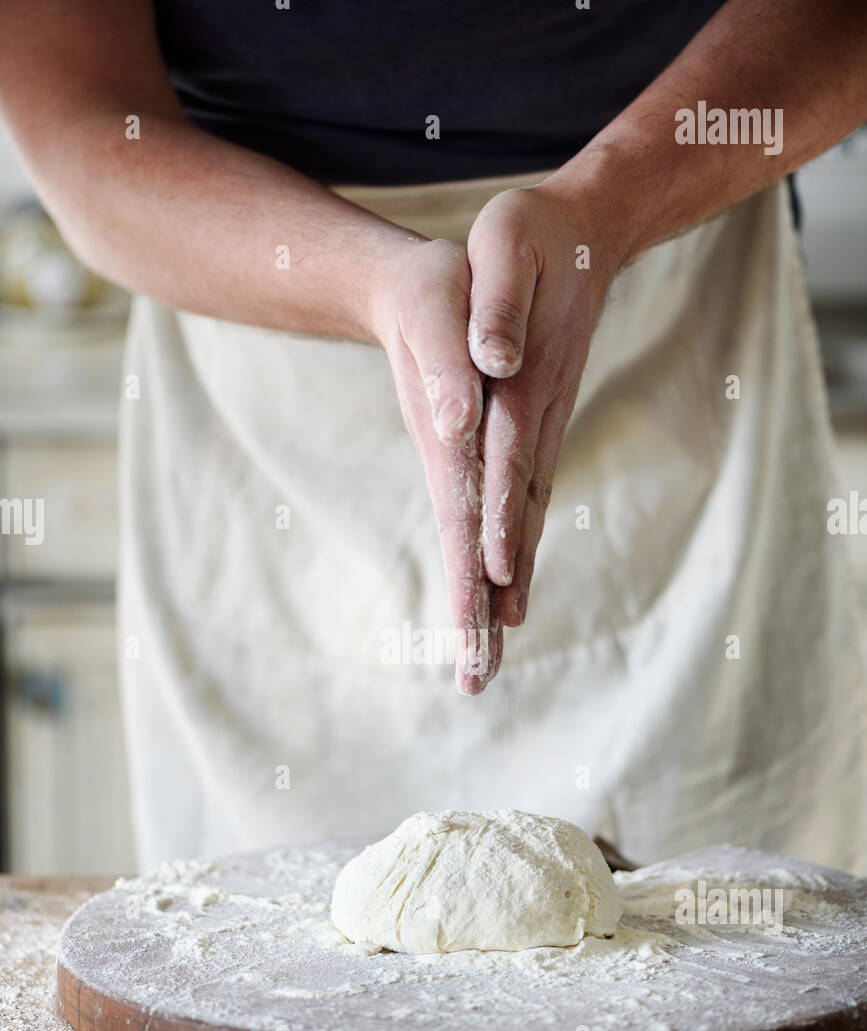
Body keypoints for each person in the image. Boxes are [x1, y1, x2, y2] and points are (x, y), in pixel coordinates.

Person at [1, 2, 865, 871]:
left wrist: (603, 211)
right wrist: (371, 283)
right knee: (260, 958)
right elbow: (84, 124)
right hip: (263, 386)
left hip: (677, 311)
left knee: (718, 961)